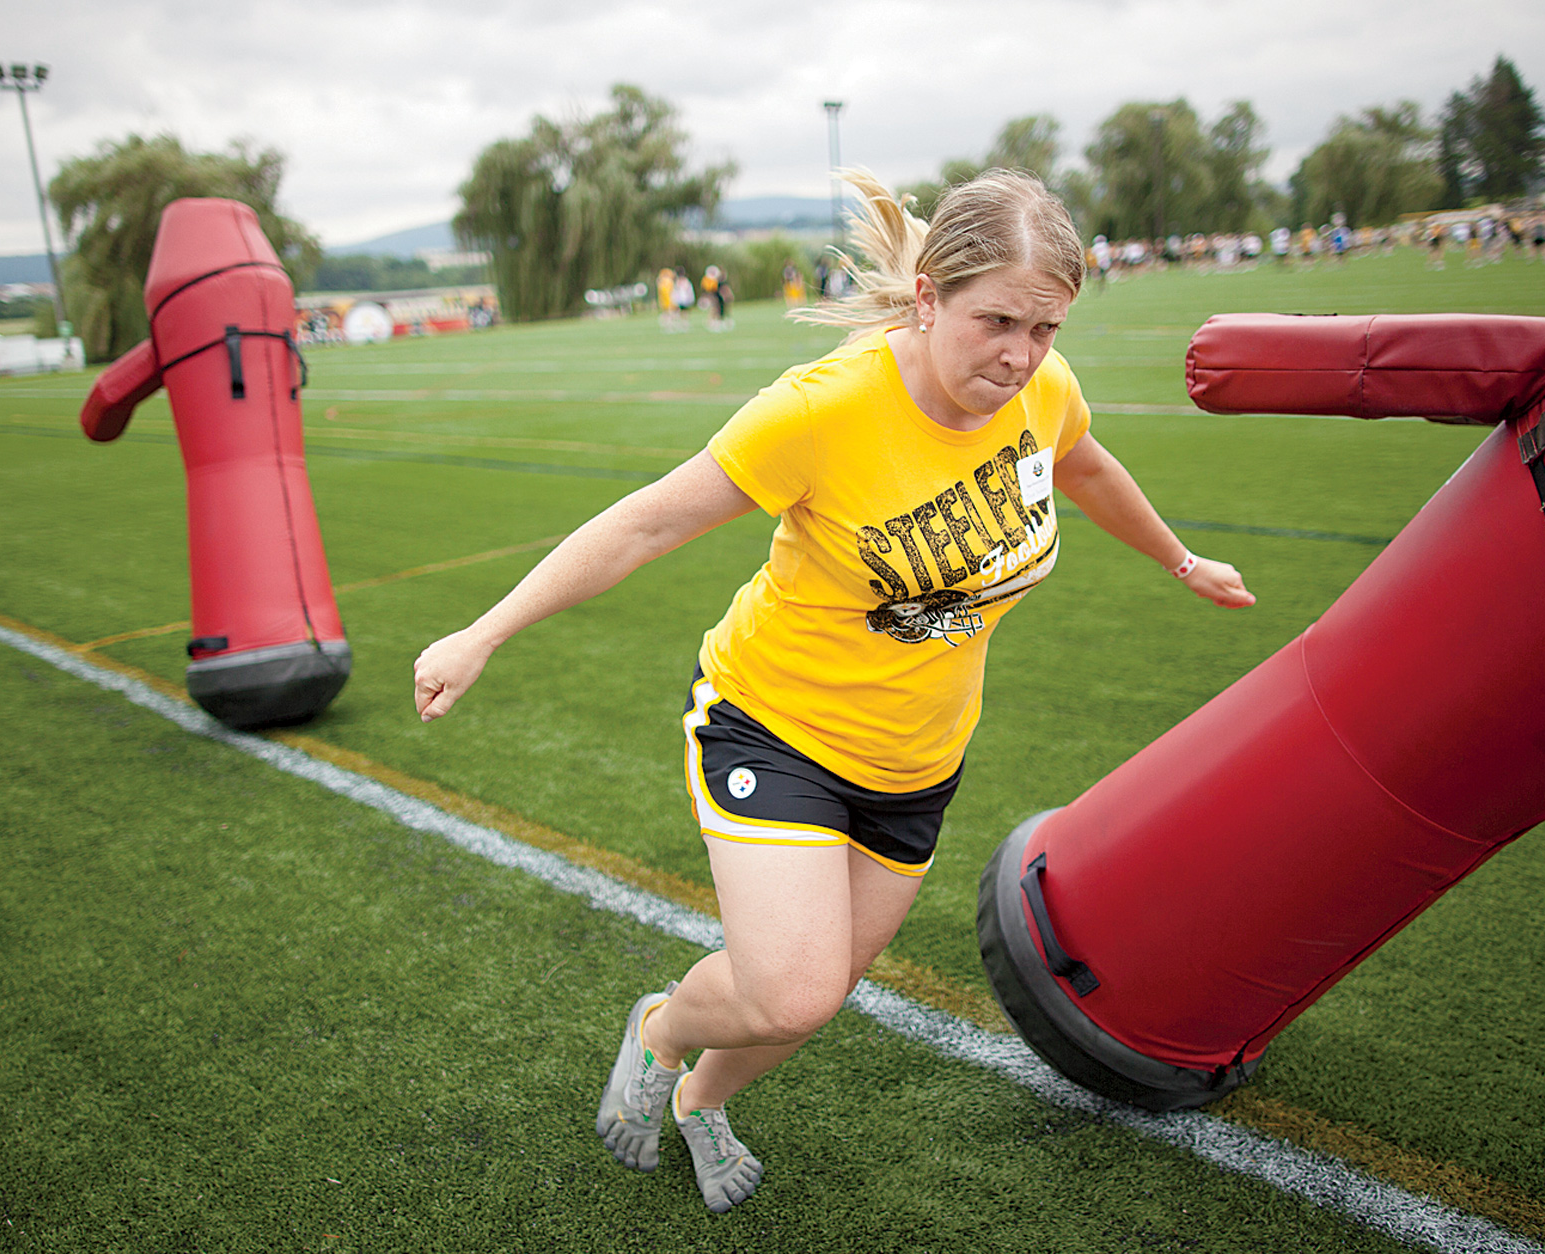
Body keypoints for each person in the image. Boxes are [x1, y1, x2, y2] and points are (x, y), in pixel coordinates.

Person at [411, 169, 1255, 1214]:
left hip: (915, 760)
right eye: (996, 322)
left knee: (810, 1002)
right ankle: (660, 1031)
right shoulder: (823, 410)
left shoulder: (1039, 386)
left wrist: (1177, 560)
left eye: (1043, 328)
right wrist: (484, 631)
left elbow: (1082, 466)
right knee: (790, 988)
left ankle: (699, 1102)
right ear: (925, 300)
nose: (1020, 355)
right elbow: (643, 524)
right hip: (775, 728)